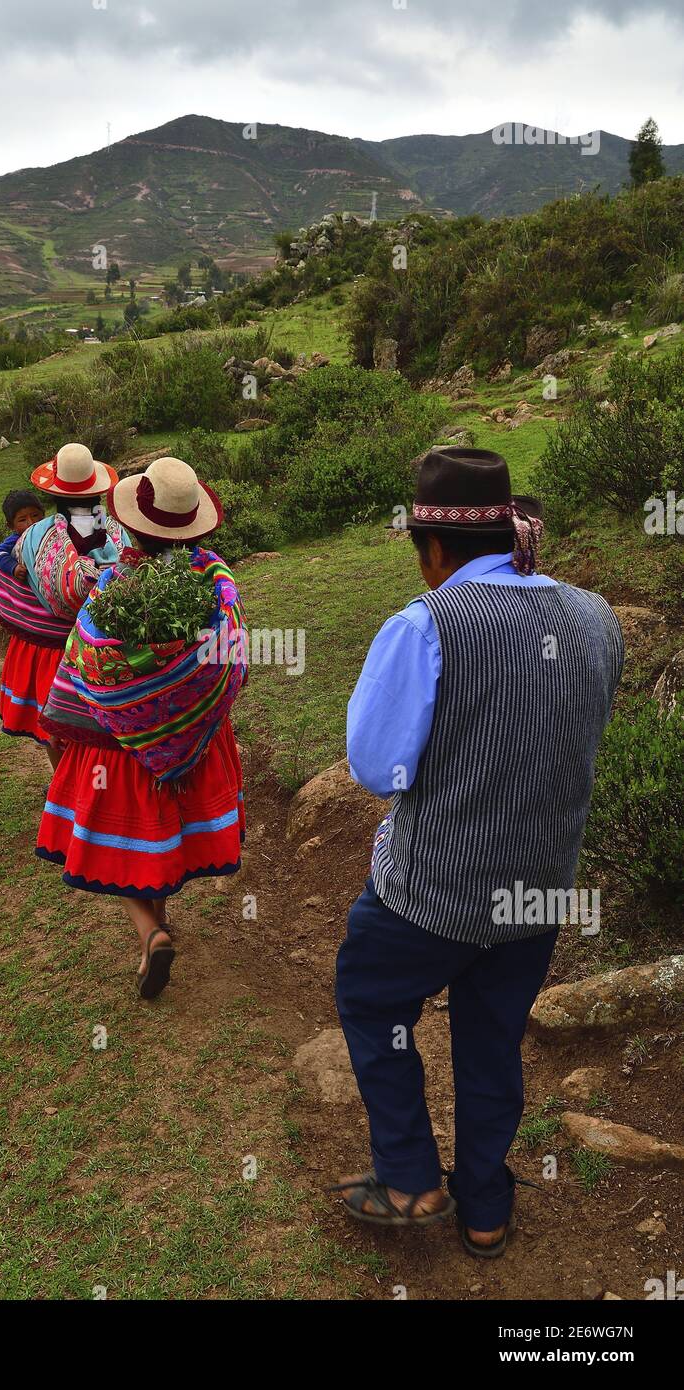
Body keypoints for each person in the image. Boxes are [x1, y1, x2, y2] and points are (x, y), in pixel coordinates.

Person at [331, 447, 623, 1258]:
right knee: (492, 1036)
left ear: (430, 549)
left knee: (370, 998)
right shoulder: (596, 616)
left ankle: (409, 1177)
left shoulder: (424, 625)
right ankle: (485, 1207)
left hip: (435, 895)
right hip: (540, 891)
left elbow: (376, 766)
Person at [36, 456, 246, 1000]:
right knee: (160, 831)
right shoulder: (216, 582)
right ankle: (159, 923)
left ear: (131, 524)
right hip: (189, 742)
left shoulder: (112, 583)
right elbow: (233, 659)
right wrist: (179, 710)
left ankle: (150, 931)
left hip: (115, 745)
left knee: (119, 844)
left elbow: (83, 658)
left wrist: (62, 723)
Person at [0, 443, 130, 772]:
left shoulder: (34, 535)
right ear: (98, 490)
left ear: (54, 494)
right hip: (104, 652)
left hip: (50, 655)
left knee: (54, 731)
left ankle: (63, 786)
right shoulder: (117, 532)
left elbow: (8, 585)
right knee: (104, 737)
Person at [0, 491, 45, 582]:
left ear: (43, 514)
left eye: (35, 515)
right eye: (22, 520)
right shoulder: (15, 540)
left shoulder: (50, 530)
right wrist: (13, 567)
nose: (31, 522)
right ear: (11, 526)